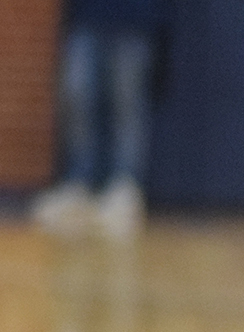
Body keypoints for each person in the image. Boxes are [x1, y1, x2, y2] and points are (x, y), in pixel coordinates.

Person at [31, 0, 170, 240]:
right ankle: (79, 183)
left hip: (135, 19)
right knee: (77, 95)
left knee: (127, 105)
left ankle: (124, 186)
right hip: (87, 17)